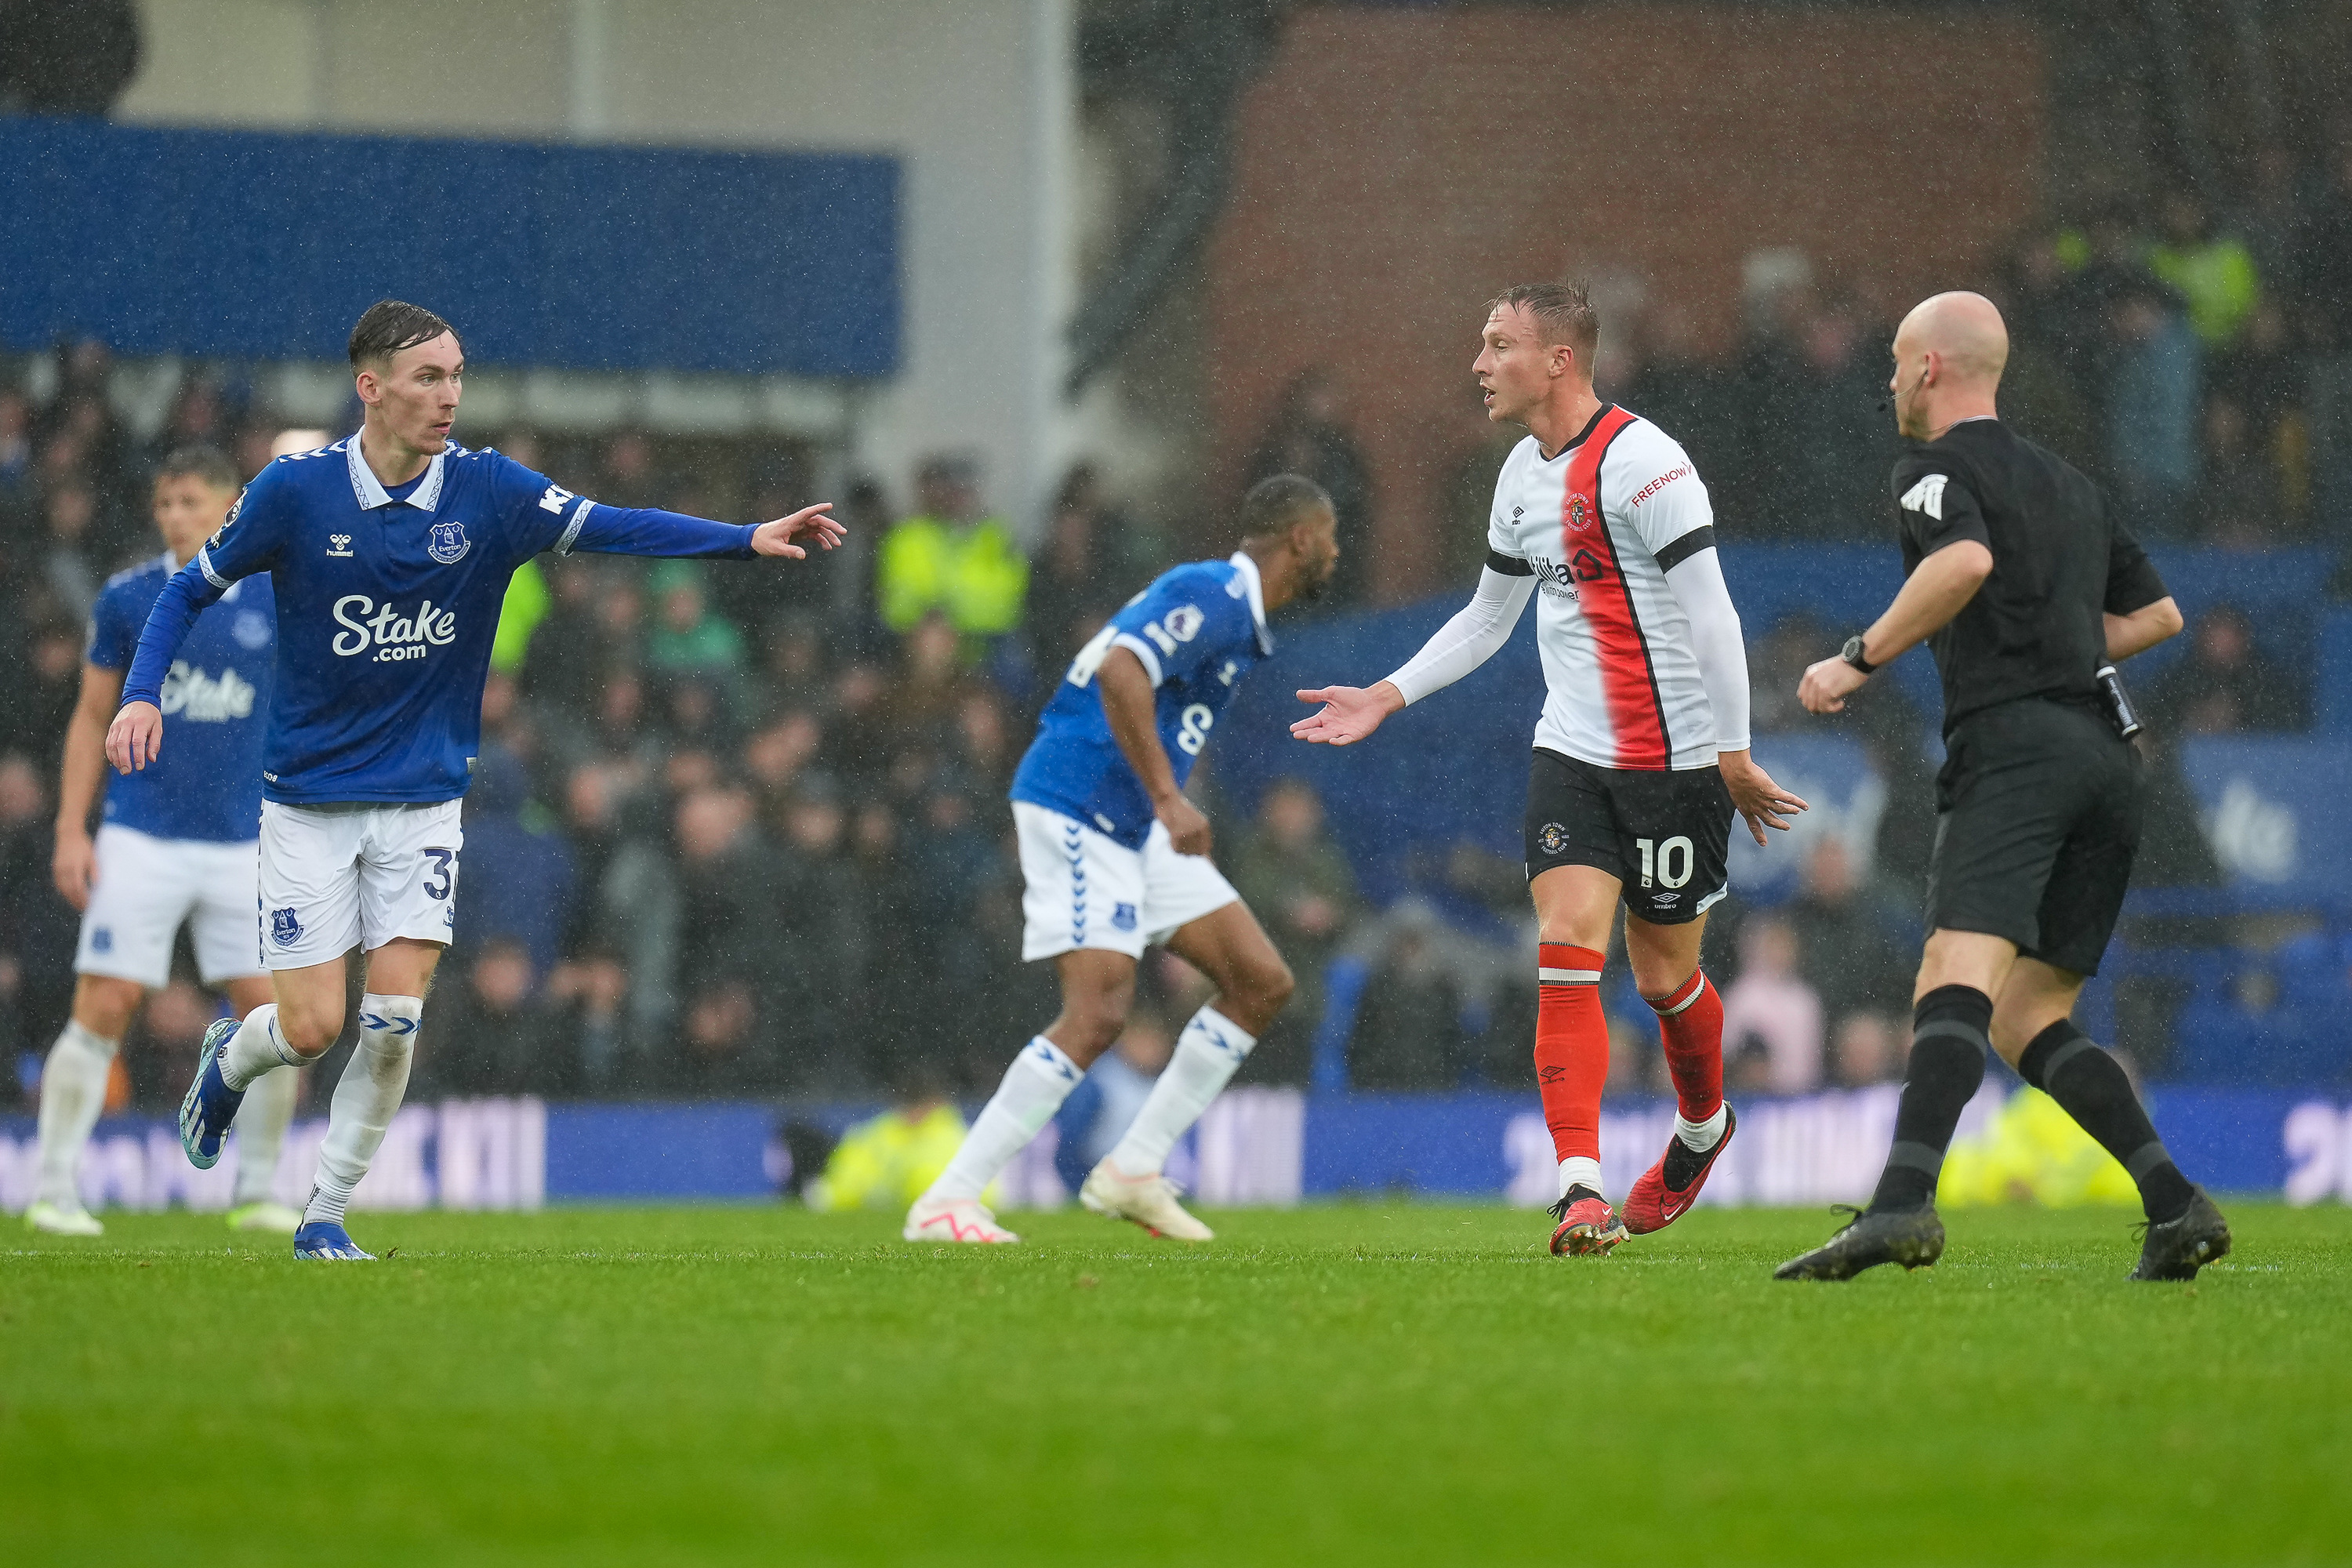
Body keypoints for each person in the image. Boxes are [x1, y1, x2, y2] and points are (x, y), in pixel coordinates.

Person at [108, 299, 843, 1261]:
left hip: (423, 800)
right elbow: (186, 589)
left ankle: (324, 1213)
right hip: (309, 802)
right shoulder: (295, 492)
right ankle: (230, 1058)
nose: (449, 394)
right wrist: (142, 693)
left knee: (394, 1019)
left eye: (456, 375)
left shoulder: (490, 491)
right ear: (370, 387)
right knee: (312, 1024)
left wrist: (743, 537)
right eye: (427, 377)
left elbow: (613, 525)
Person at [1292, 282, 1806, 1255]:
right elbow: (1490, 617)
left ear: (1559, 359)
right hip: (1571, 752)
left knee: (1665, 979)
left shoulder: (1648, 464)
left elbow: (1712, 615)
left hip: (1677, 760)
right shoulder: (1520, 475)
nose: (1479, 364)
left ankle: (1702, 1125)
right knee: (1566, 942)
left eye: (1498, 345)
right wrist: (1386, 692)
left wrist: (1732, 752)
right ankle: (1579, 1187)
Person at [1777, 290, 2229, 1283]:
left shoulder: (1930, 468)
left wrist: (1860, 657)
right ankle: (2176, 1203)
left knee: (1952, 967)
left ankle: (1901, 1206)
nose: (1891, 379)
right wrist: (2059, 645)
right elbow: (2158, 615)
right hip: (2109, 757)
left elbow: (1966, 560)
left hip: (2017, 749)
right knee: (2029, 1014)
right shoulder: (2071, 482)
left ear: (1933, 367)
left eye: (1898, 361)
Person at [902, 474, 1338, 1245]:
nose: (1337, 552)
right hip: (1080, 801)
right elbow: (1120, 668)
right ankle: (949, 1199)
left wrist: (1159, 804)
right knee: (1100, 1009)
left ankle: (1135, 1167)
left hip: (1132, 817)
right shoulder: (1213, 592)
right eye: (1330, 537)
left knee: (1260, 979)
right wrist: (1171, 797)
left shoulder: (1242, 620)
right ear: (1301, 539)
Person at [24, 446, 299, 1237]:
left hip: (241, 840)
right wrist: (72, 827)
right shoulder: (129, 597)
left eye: (189, 499)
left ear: (228, 504)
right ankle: (54, 1189)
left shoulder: (275, 599)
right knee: (105, 1002)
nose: (173, 515)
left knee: (275, 1016)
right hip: (141, 832)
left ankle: (255, 1189)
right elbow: (89, 715)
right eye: (164, 502)